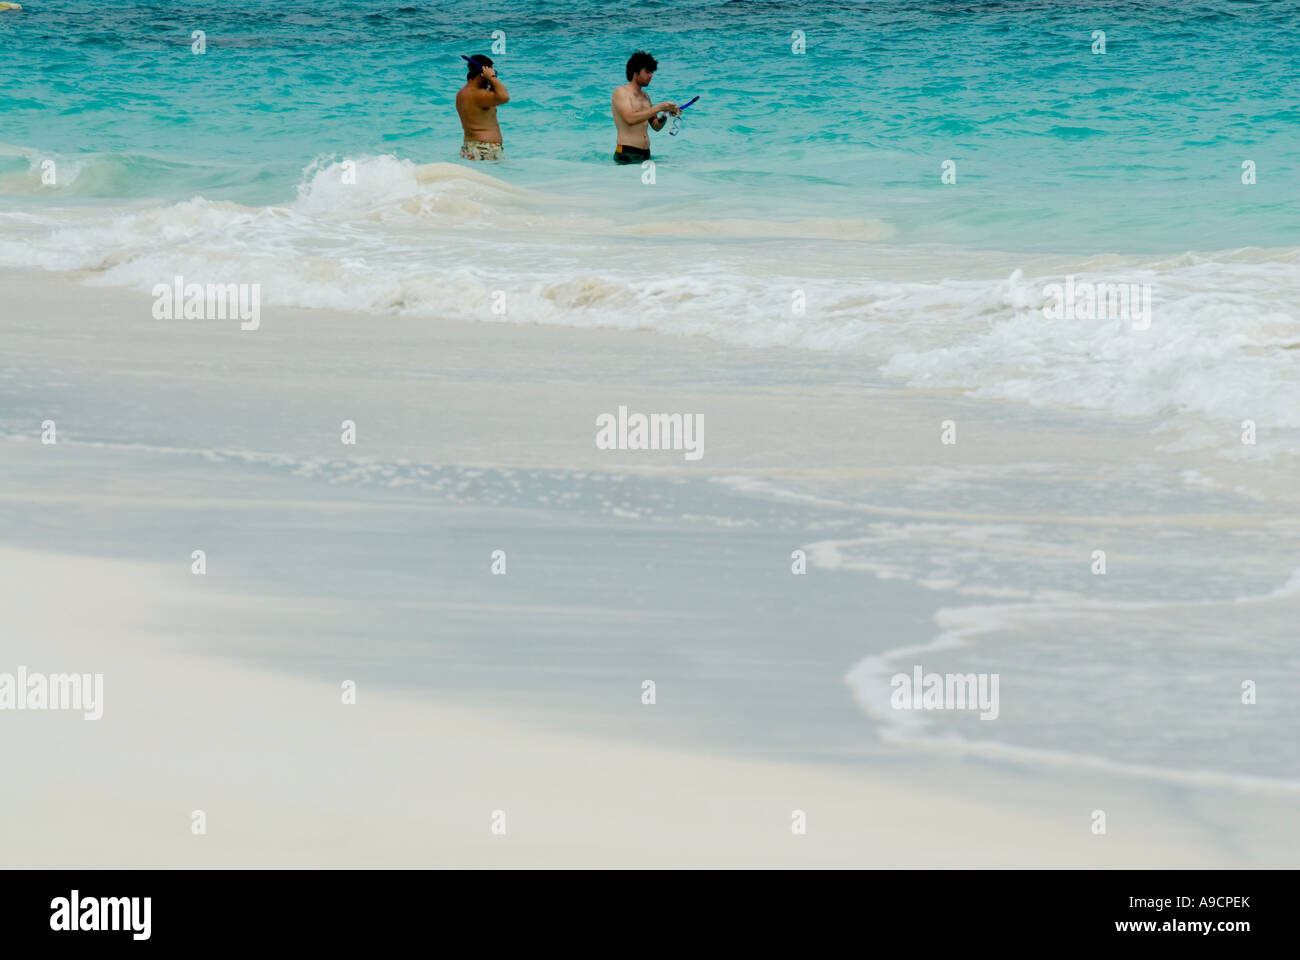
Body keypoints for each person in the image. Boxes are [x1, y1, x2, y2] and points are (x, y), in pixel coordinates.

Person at [611, 51, 678, 165]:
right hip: (627, 154)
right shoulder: (621, 92)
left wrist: (666, 113)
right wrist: (659, 107)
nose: (651, 75)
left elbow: (656, 126)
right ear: (636, 72)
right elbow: (630, 119)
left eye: (652, 72)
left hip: (645, 154)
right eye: (647, 72)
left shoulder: (645, 96)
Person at [456, 55, 510, 161]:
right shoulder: (478, 95)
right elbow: (504, 97)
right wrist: (492, 78)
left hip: (470, 148)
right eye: (493, 72)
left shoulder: (462, 94)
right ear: (483, 74)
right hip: (484, 150)